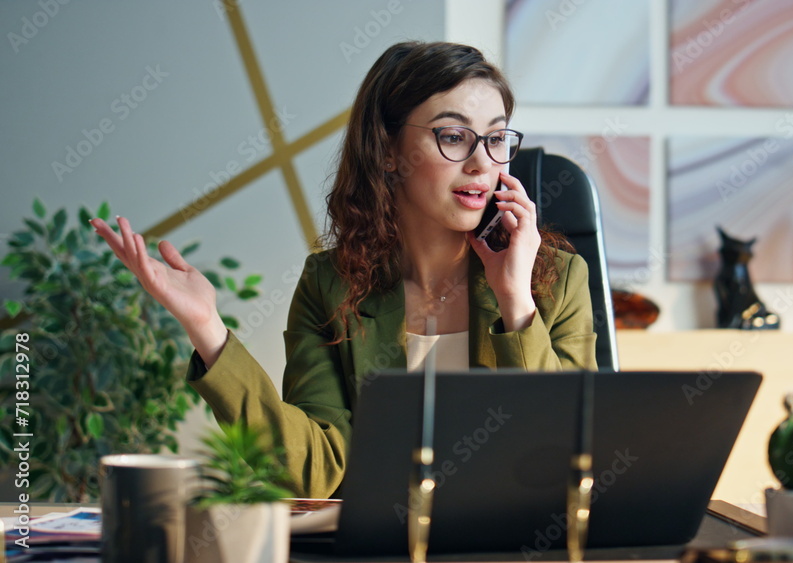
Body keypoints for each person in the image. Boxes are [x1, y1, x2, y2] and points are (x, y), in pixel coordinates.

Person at [91, 41, 597, 499]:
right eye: (453, 136)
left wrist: (516, 303)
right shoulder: (330, 285)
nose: (483, 163)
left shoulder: (556, 280)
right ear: (389, 151)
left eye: (495, 138)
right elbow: (313, 472)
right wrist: (206, 328)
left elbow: (566, 459)